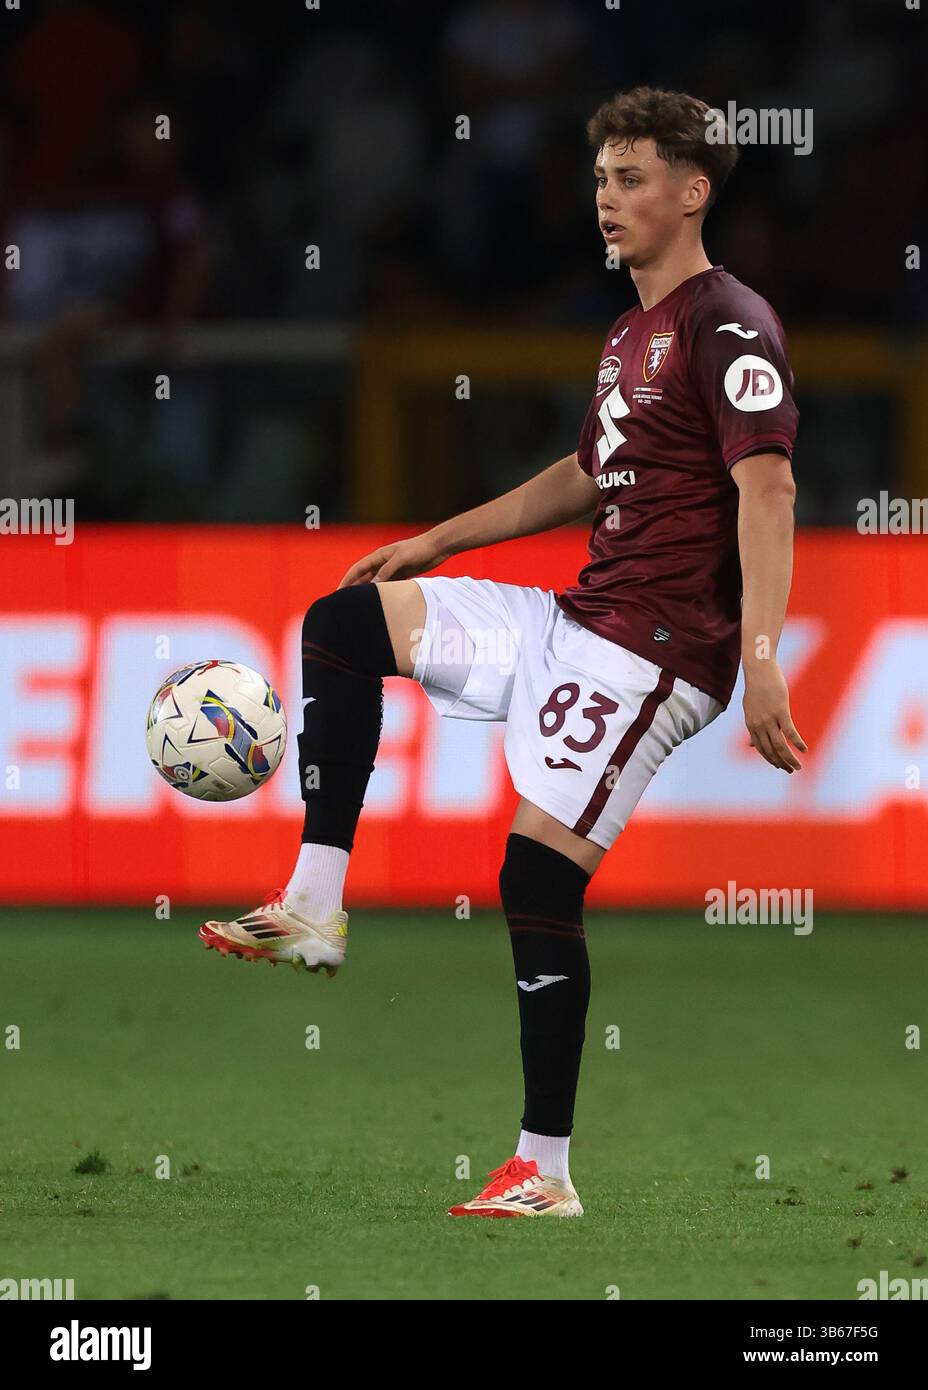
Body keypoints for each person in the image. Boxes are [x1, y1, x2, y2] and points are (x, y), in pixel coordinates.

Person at [199, 86, 805, 1219]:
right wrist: (436, 537)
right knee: (343, 624)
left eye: (630, 179)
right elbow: (584, 473)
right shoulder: (631, 330)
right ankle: (316, 904)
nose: (606, 199)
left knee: (534, 875)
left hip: (658, 652)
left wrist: (761, 652)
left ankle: (547, 1171)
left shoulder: (730, 322)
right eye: (599, 179)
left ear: (691, 192)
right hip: (577, 617)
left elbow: (765, 485)